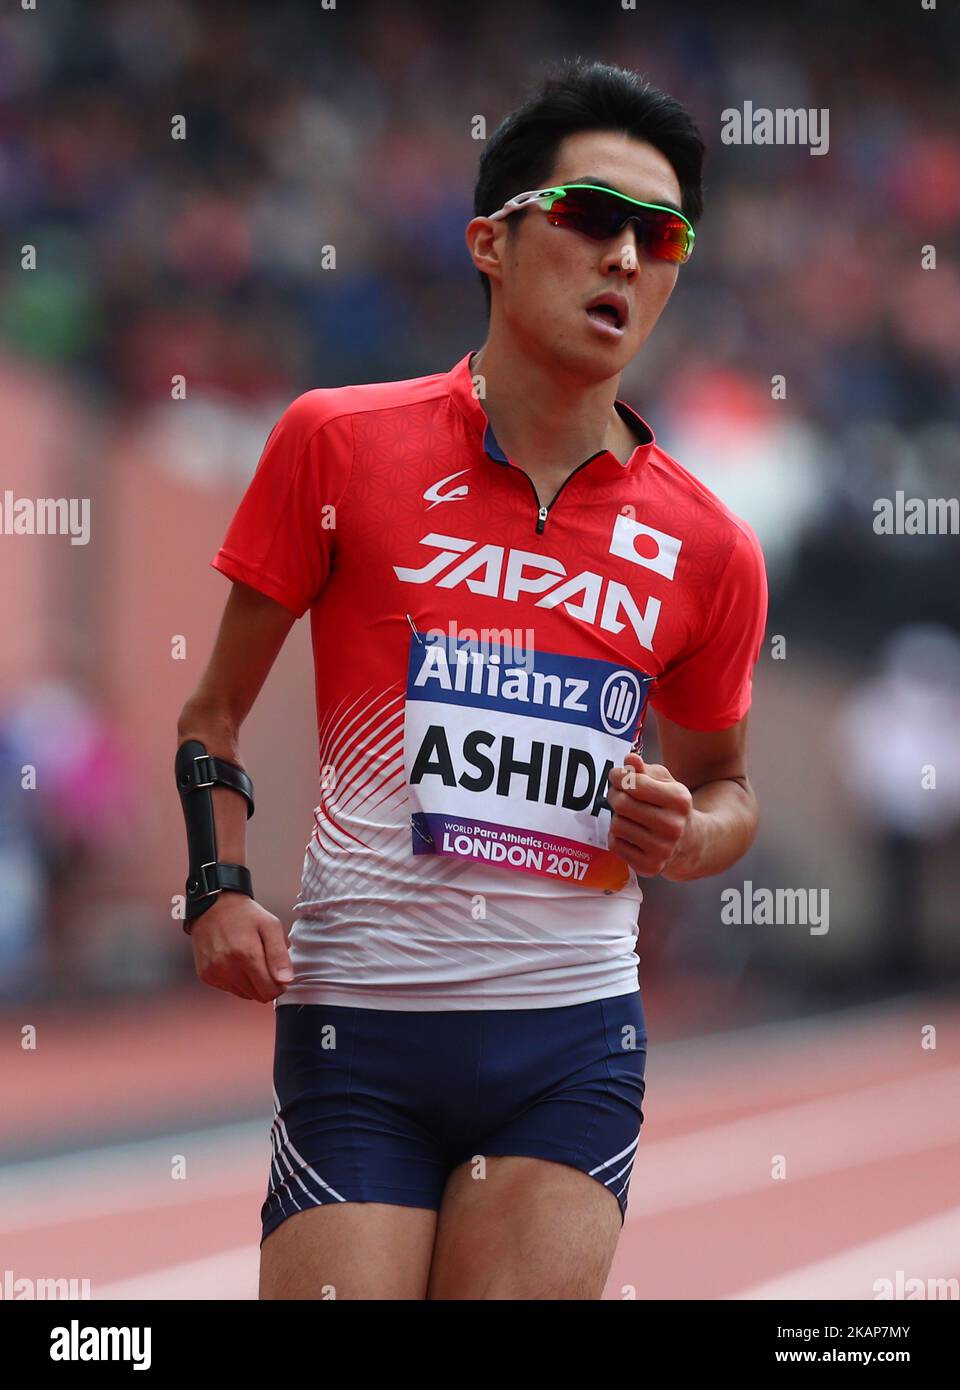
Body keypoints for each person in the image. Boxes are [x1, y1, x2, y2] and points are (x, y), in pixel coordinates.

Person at [176, 59, 768, 1301]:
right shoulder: (337, 441)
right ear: (491, 243)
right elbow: (213, 709)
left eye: (660, 238)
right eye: (592, 217)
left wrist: (686, 831)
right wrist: (217, 888)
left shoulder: (711, 545)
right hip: (359, 1030)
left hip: (569, 1037)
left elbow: (729, 791)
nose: (625, 258)